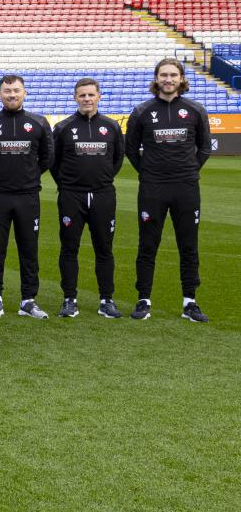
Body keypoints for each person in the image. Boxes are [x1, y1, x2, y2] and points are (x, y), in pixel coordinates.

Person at [125, 58, 211, 322]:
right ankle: (143, 299)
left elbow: (205, 148)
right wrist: (150, 173)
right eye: (163, 75)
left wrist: (187, 171)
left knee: (189, 246)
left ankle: (190, 302)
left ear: (181, 78)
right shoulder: (142, 111)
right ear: (156, 79)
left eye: (173, 75)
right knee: (148, 245)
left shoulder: (196, 110)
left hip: (186, 188)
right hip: (153, 189)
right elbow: (131, 150)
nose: (168, 79)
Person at [0, 74, 52, 320]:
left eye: (16, 90)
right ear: (0, 94)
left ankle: (28, 299)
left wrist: (29, 177)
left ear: (24, 92)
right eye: (7, 91)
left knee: (29, 248)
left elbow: (48, 158)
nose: (12, 95)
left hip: (28, 197)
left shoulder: (38, 122)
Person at [51, 78, 124, 319]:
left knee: (104, 249)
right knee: (69, 248)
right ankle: (69, 299)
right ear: (75, 98)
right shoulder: (63, 127)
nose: (87, 99)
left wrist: (100, 181)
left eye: (91, 95)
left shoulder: (111, 127)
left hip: (103, 195)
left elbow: (117, 161)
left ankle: (106, 300)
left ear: (99, 96)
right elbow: (53, 162)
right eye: (82, 95)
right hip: (72, 196)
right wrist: (69, 184)